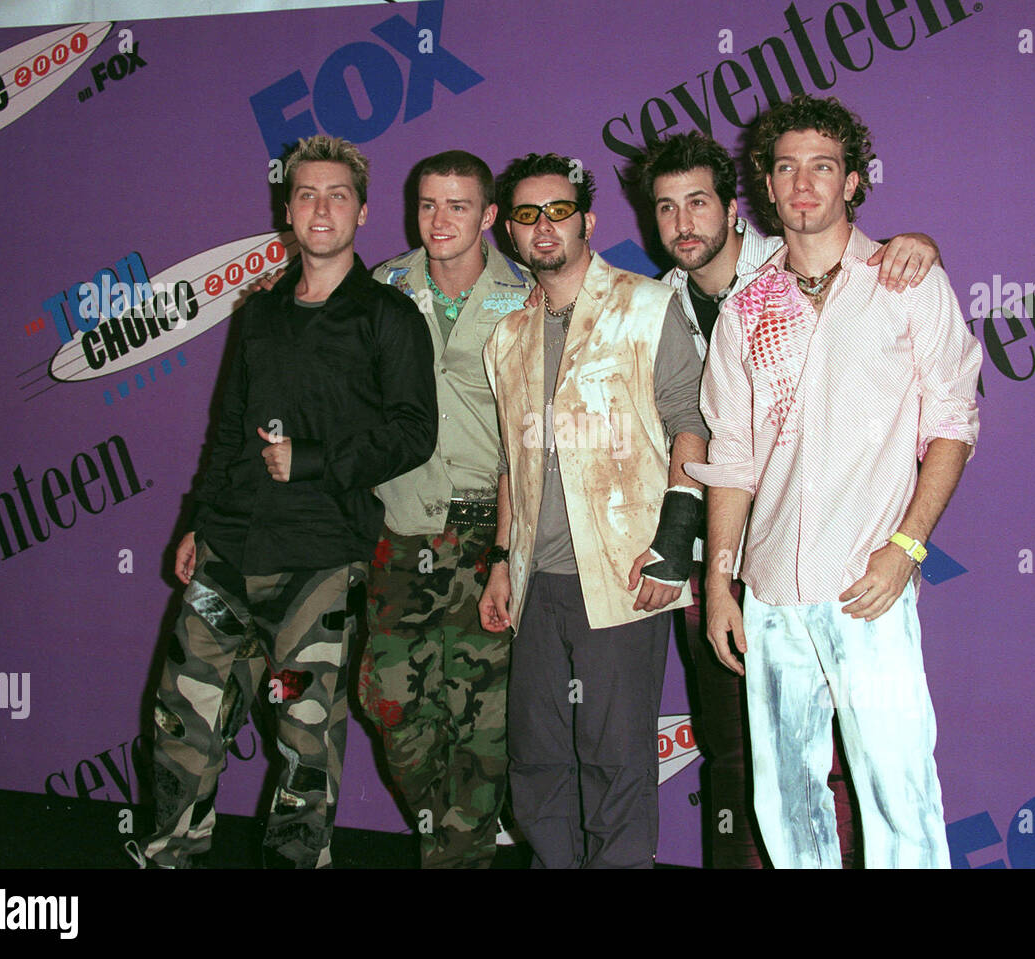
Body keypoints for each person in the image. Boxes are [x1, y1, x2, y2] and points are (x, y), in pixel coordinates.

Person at [686, 96, 982, 869]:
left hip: (867, 585)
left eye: (822, 166)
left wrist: (907, 547)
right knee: (786, 802)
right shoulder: (745, 308)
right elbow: (732, 456)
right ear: (767, 186)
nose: (803, 183)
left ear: (852, 181)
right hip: (772, 591)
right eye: (786, 168)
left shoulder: (906, 282)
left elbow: (953, 424)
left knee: (898, 793)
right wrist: (720, 583)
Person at [128, 135, 436, 868]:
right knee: (182, 716)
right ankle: (171, 851)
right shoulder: (259, 312)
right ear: (287, 211)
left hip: (319, 559)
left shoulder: (389, 316)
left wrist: (314, 460)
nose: (321, 208)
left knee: (306, 733)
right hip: (228, 549)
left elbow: (414, 431)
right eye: (306, 195)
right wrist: (197, 522)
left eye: (337, 195)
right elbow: (229, 427)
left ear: (362, 211)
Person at [479, 153, 709, 868]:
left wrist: (675, 541)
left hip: (621, 575)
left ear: (588, 221)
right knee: (536, 762)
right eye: (527, 215)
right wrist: (500, 560)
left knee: (615, 762)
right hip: (536, 583)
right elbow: (512, 461)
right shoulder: (506, 337)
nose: (544, 227)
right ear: (510, 232)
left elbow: (692, 423)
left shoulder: (647, 306)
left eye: (559, 211)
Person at [361, 150, 532, 868]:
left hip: (487, 531)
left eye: (457, 206)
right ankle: (451, 833)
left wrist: (508, 549)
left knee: (482, 719)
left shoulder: (525, 294)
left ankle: (460, 853)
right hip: (403, 529)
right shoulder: (383, 286)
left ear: (488, 215)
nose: (439, 220)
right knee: (390, 704)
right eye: (428, 204)